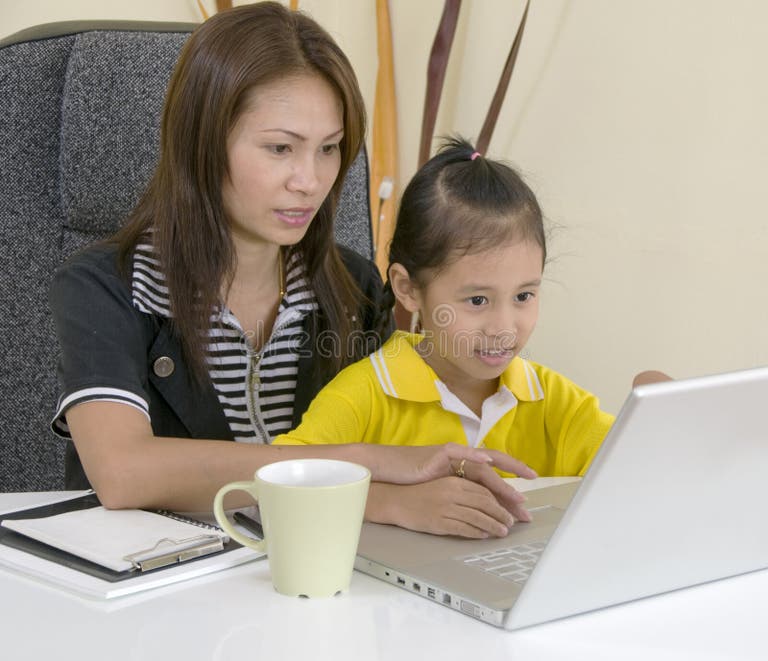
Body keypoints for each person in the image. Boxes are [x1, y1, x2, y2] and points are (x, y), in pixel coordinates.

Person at [49, 3, 534, 537]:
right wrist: (363, 469)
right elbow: (122, 472)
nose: (310, 180)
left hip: (312, 566)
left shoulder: (356, 291)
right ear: (202, 143)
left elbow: (393, 445)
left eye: (329, 148)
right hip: (153, 573)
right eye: (280, 148)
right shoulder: (107, 288)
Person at [275, 137, 618, 534]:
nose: (504, 327)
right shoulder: (361, 396)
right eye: (477, 300)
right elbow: (275, 484)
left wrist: (664, 419)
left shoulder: (557, 402)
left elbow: (638, 469)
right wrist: (390, 502)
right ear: (408, 289)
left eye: (524, 296)